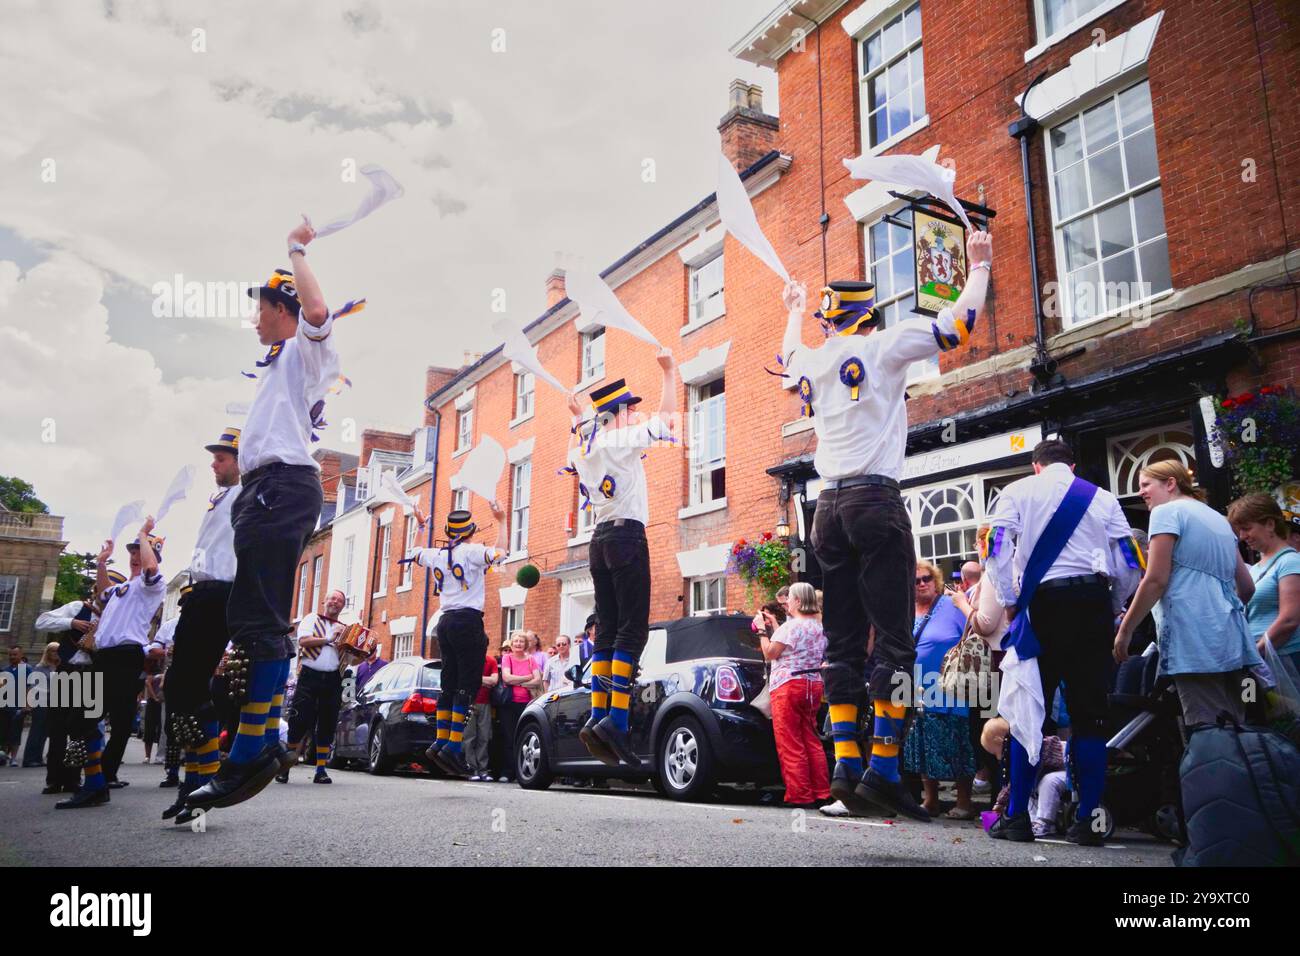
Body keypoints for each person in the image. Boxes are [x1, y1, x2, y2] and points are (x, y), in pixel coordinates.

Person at [776, 230, 993, 820]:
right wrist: (978, 266)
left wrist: (794, 313)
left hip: (827, 509)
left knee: (843, 643)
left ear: (829, 322)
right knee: (894, 641)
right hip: (875, 499)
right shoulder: (884, 345)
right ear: (870, 316)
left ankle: (846, 766)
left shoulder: (811, 359)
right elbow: (957, 327)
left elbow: (782, 358)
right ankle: (885, 771)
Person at [188, 221, 344, 813]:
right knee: (249, 621)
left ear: (284, 309)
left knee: (261, 621)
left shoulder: (307, 349)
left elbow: (320, 308)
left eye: (261, 308)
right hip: (266, 491)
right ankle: (244, 749)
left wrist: (297, 251)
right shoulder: (277, 365)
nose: (254, 319)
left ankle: (253, 746)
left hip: (282, 486)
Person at [986, 438, 1141, 845]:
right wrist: (1112, 603)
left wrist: (1010, 600)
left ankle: (1018, 818)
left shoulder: (1017, 491)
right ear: (1072, 466)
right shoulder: (1104, 497)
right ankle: (1088, 821)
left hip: (1043, 606)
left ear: (1036, 466)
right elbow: (1129, 558)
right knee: (1090, 717)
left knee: (1027, 713)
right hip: (1091, 605)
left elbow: (997, 547)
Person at [564, 348, 678, 767]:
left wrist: (578, 416)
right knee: (633, 631)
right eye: (630, 409)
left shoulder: (584, 448)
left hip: (599, 540)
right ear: (616, 413)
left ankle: (599, 716)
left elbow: (583, 435)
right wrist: (669, 372)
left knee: (608, 630)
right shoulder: (618, 437)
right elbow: (666, 423)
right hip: (628, 536)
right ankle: (616, 719)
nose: (634, 416)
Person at [1115, 463, 1261, 728]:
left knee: (1207, 729)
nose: (1141, 492)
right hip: (1231, 636)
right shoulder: (1219, 520)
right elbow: (1247, 587)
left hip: (1193, 637)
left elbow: (1156, 580)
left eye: (1146, 484)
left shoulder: (1166, 512)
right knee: (1236, 725)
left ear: (1170, 483)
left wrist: (1125, 631)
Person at [161, 427, 243, 822]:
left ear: (243, 461)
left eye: (222, 457)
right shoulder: (220, 497)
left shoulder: (247, 493)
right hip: (199, 593)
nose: (215, 462)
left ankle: (202, 786)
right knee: (181, 688)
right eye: (215, 457)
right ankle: (195, 783)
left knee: (190, 689)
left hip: (219, 595)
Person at [58, 520, 168, 809]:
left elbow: (151, 569)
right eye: (131, 551)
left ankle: (96, 784)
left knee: (87, 717)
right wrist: (102, 562)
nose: (134, 555)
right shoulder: (124, 589)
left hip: (124, 656)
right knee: (81, 719)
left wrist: (145, 535)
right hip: (106, 657)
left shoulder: (152, 584)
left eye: (139, 551)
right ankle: (96, 783)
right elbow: (104, 590)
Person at [408, 500, 508, 777]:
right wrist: (501, 521)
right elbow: (501, 553)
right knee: (467, 684)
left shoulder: (438, 555)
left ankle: (440, 741)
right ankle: (452, 746)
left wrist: (420, 526)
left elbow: (415, 552)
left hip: (445, 621)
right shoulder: (473, 551)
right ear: (470, 532)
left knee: (448, 684)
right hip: (467, 621)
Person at [902, 561, 977, 819]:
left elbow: (973, 630)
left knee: (957, 742)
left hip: (951, 685)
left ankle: (964, 802)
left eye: (927, 579)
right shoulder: (906, 611)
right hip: (918, 687)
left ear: (935, 580)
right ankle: (930, 799)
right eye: (916, 581)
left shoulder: (951, 603)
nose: (922, 584)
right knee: (922, 743)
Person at [760, 582, 830, 808]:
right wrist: (775, 625)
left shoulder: (790, 627)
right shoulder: (820, 626)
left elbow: (771, 653)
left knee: (790, 741)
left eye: (789, 598)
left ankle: (800, 795)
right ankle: (822, 792)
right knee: (811, 739)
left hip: (788, 685)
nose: (787, 602)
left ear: (798, 601)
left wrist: (763, 632)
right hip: (813, 684)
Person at [282, 589, 350, 784]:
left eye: (339, 600)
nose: (335, 602)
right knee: (299, 720)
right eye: (332, 598)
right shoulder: (312, 619)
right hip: (310, 677)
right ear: (324, 601)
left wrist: (359, 651)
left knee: (327, 724)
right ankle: (285, 768)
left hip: (333, 679)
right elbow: (303, 641)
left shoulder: (345, 628)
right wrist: (330, 638)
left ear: (342, 606)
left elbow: (351, 661)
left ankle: (321, 769)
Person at [1228, 493, 1300, 673]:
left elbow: (1290, 619)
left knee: (1287, 702)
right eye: (1239, 531)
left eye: (1247, 528)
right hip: (1263, 659)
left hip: (1284, 659)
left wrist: (1255, 653)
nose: (1243, 536)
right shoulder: (1256, 568)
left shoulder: (1290, 561)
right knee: (1250, 699)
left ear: (1270, 524)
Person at [498, 630, 542, 780]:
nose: (518, 644)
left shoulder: (531, 660)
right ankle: (507, 772)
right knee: (508, 738)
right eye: (516, 641)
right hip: (509, 704)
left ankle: (521, 773)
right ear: (511, 643)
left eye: (521, 641)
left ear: (526, 644)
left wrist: (519, 682)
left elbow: (537, 680)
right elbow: (507, 678)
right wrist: (526, 678)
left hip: (527, 703)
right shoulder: (507, 658)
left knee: (524, 738)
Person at [465, 654, 498, 781]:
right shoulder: (467, 658)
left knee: (484, 737)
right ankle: (472, 769)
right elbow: (466, 678)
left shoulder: (491, 660)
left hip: (485, 703)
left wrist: (476, 679)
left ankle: (483, 770)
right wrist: (486, 681)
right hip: (468, 702)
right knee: (469, 737)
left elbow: (494, 681)